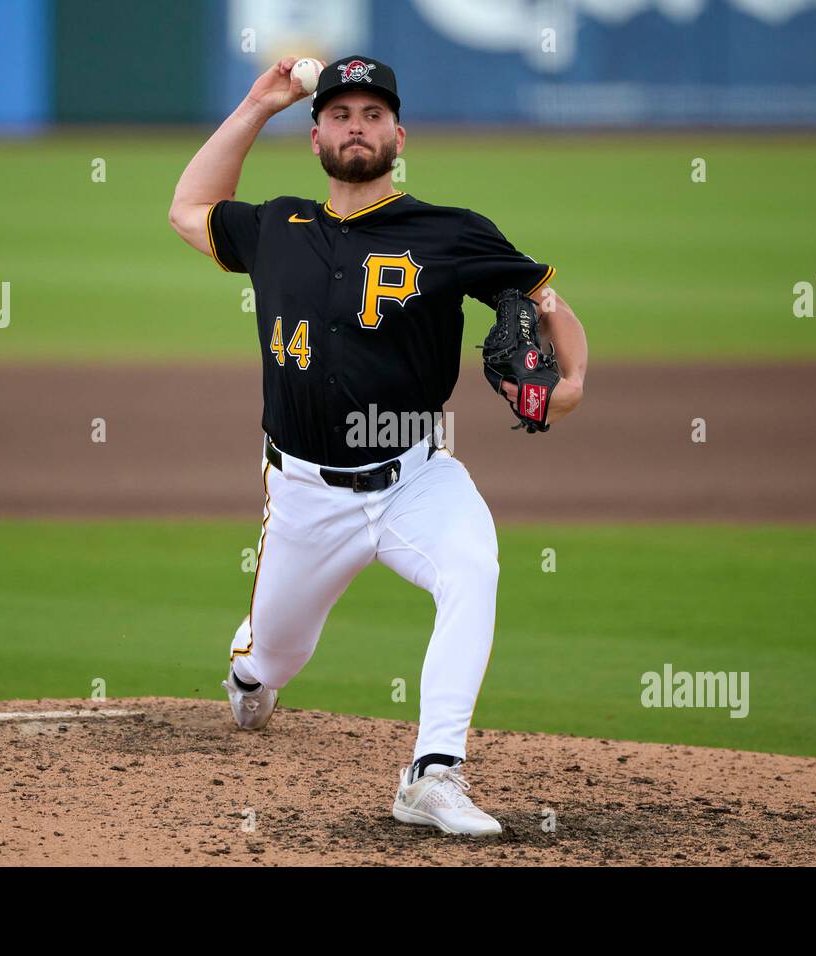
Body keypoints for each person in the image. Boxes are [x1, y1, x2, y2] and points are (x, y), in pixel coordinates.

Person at [168, 55, 587, 836]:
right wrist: (260, 103)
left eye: (371, 115)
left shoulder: (452, 232)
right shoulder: (277, 225)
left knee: (474, 567)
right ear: (316, 135)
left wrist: (572, 381)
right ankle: (252, 669)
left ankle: (433, 773)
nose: (354, 127)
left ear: (398, 134)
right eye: (337, 115)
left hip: (416, 477)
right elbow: (189, 207)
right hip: (303, 496)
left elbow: (544, 298)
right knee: (269, 671)